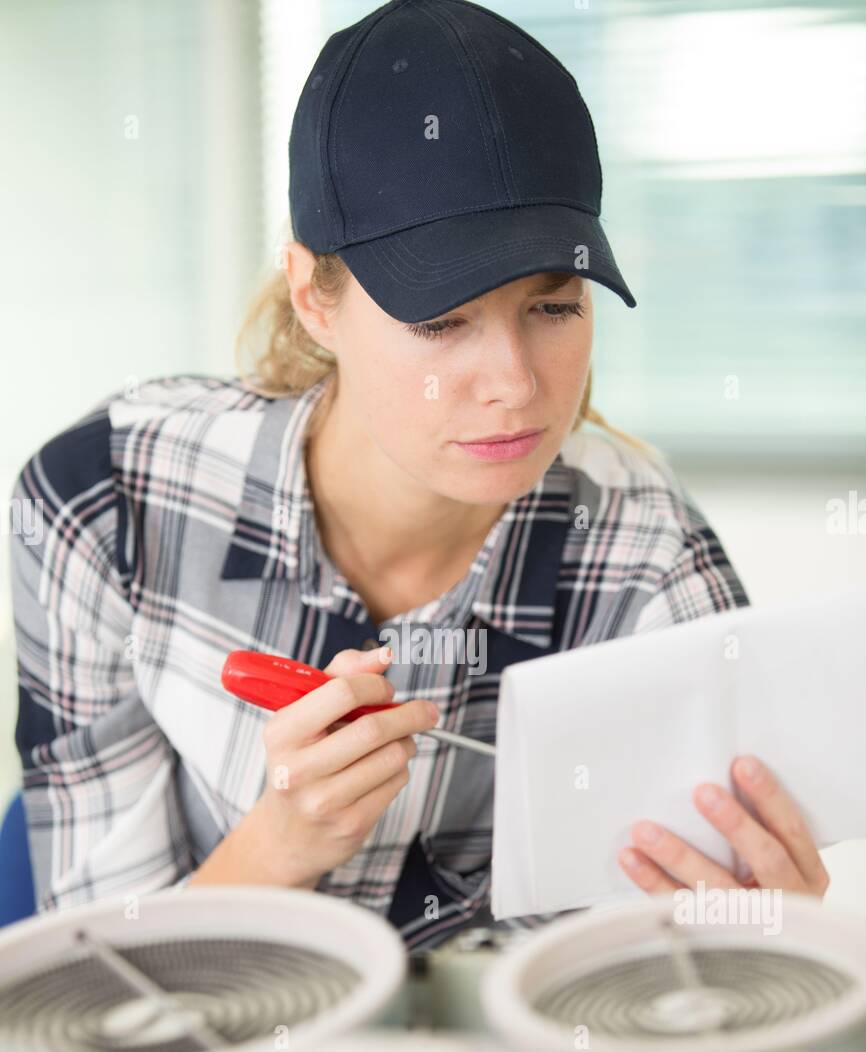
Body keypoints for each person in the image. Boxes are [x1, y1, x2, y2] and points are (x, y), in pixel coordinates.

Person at [8, 0, 828, 949]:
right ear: (316, 296)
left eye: (554, 305)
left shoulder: (650, 558)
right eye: (441, 322)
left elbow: (679, 997)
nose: (517, 386)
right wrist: (279, 848)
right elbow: (100, 996)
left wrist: (771, 938)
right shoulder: (103, 501)